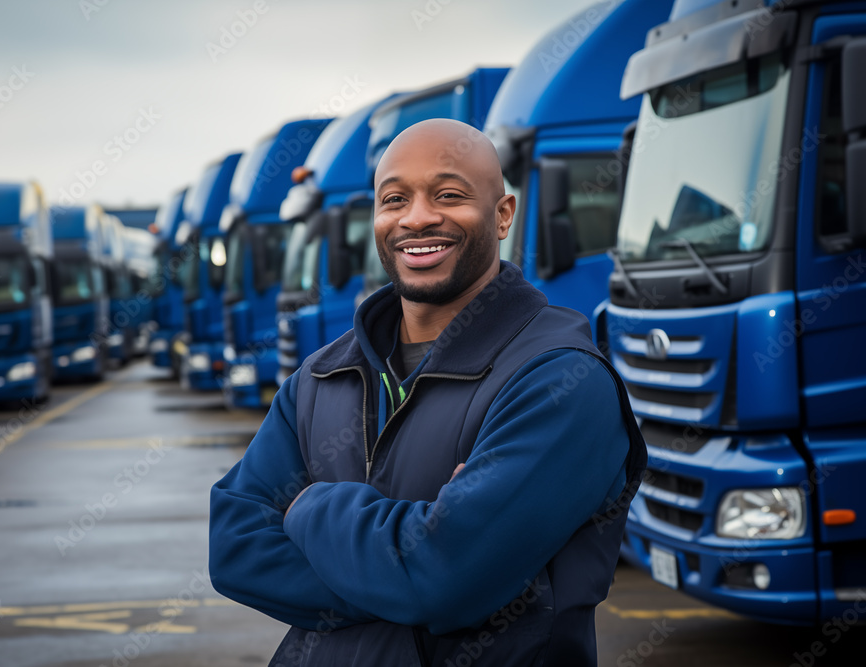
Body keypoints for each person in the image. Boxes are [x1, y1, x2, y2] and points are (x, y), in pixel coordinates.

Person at [209, 118, 646, 666]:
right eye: (394, 199)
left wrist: (307, 507)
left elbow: (446, 575)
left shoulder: (559, 379)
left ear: (503, 214)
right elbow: (234, 548)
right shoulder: (321, 376)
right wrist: (405, 573)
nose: (416, 218)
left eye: (449, 195)